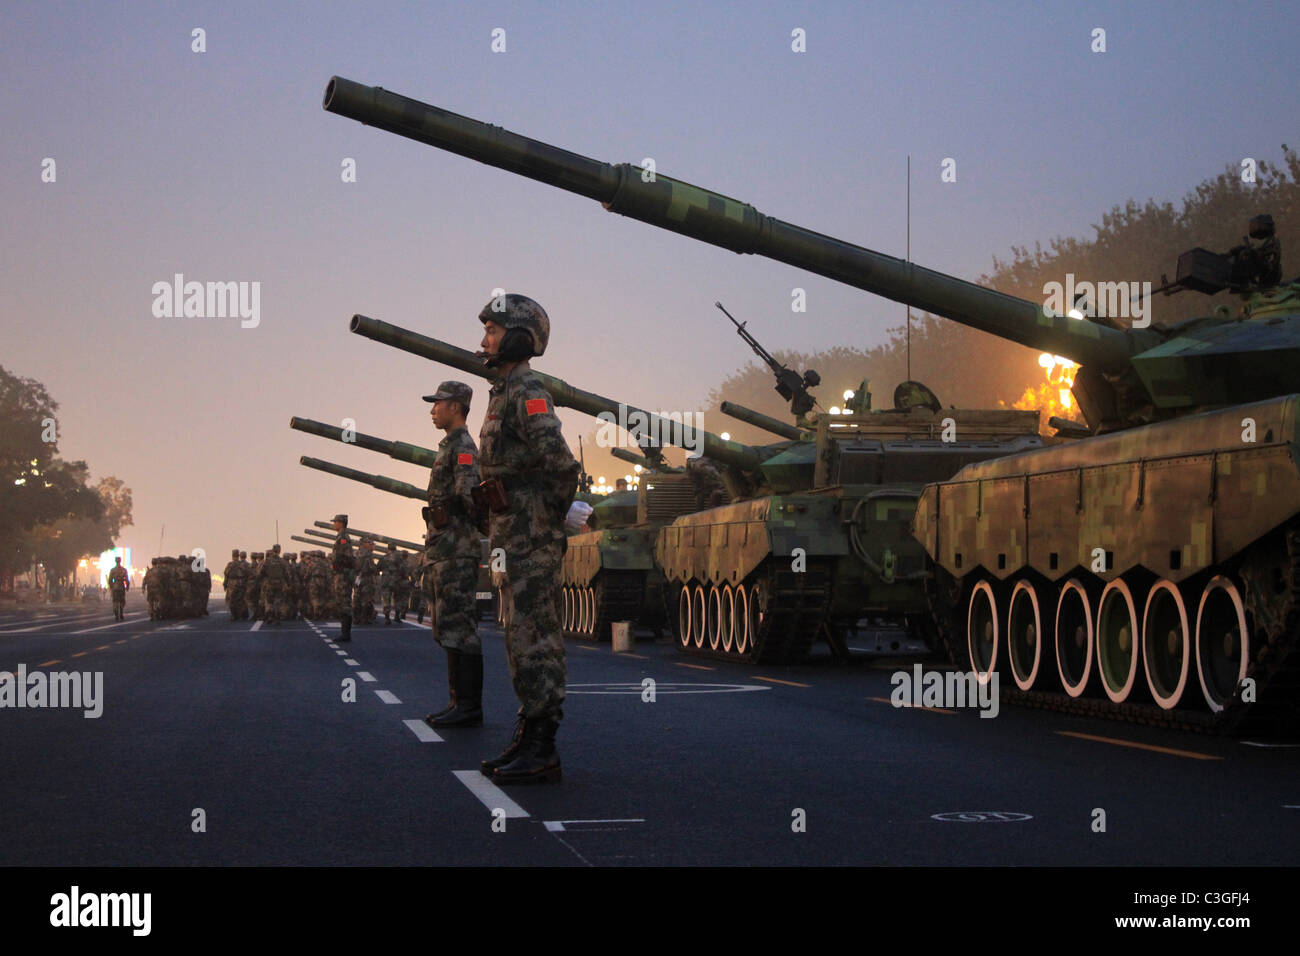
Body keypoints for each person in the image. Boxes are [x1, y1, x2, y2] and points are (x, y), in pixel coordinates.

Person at [475, 294, 580, 784]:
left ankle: (543, 748)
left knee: (536, 639)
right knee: (519, 637)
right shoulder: (504, 389)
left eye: (493, 330)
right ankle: (528, 734)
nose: (484, 340)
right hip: (510, 534)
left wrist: (543, 523)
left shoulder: (527, 390)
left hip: (528, 537)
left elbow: (559, 464)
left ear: (517, 335)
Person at [421, 380, 483, 728]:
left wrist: (451, 522)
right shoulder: (450, 445)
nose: (433, 410)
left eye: (438, 404)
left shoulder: (462, 447)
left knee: (460, 625)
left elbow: (470, 495)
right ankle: (457, 700)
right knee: (447, 625)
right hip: (443, 546)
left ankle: (470, 706)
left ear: (456, 407)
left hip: (456, 548)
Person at [330, 515, 356, 641]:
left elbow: (345, 556)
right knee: (342, 602)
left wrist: (338, 565)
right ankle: (345, 633)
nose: (334, 524)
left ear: (341, 523)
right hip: (342, 573)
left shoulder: (343, 537)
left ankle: (346, 634)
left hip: (343, 574)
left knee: (344, 602)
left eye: (335, 522)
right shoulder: (341, 536)